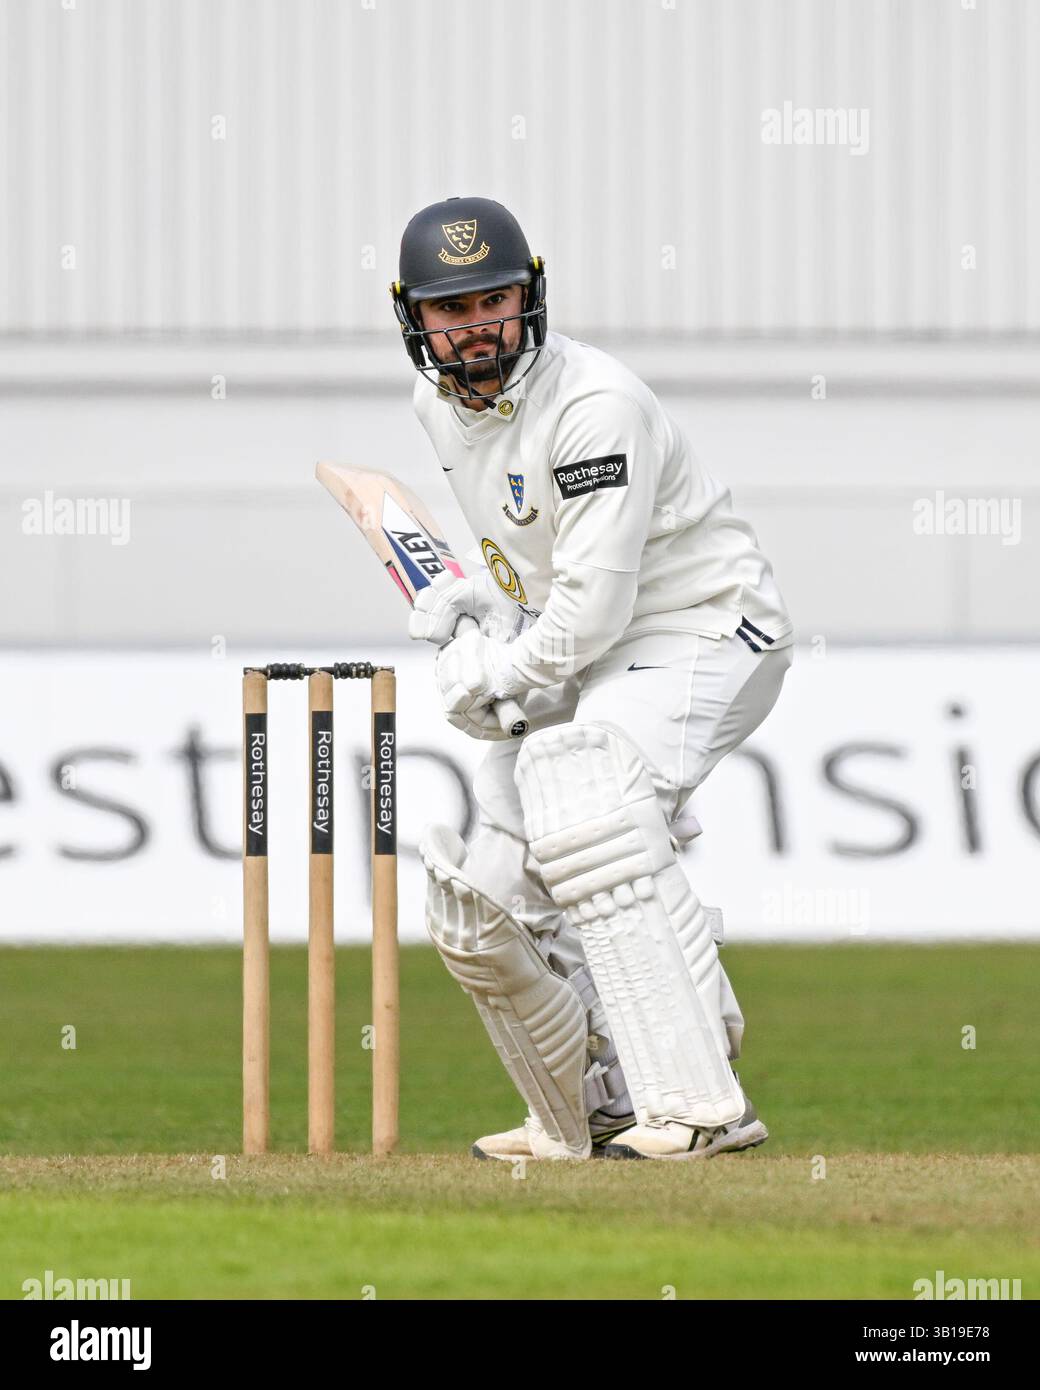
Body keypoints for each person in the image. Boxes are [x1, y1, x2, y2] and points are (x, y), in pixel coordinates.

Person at [392, 195, 794, 1160]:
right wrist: (489, 617)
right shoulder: (433, 404)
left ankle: (704, 1100)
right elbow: (540, 566)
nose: (474, 327)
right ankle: (595, 1101)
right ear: (414, 318)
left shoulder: (594, 406)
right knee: (489, 881)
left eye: (491, 301)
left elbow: (597, 611)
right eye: (451, 310)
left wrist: (499, 678)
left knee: (585, 794)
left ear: (528, 296)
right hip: (590, 646)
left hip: (704, 629)